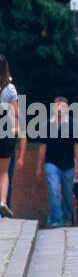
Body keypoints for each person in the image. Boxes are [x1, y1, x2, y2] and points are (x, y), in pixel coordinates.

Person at [37, 96, 78, 228]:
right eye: (57, 106)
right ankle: (56, 219)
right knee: (54, 190)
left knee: (68, 194)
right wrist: (39, 167)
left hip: (68, 164)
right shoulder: (46, 125)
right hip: (51, 163)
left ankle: (68, 218)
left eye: (62, 106)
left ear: (67, 109)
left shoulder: (74, 124)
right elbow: (42, 146)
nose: (59, 109)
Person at [0, 55, 25, 219]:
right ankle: (3, 201)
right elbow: (16, 114)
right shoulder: (10, 89)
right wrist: (17, 128)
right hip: (6, 132)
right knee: (3, 172)